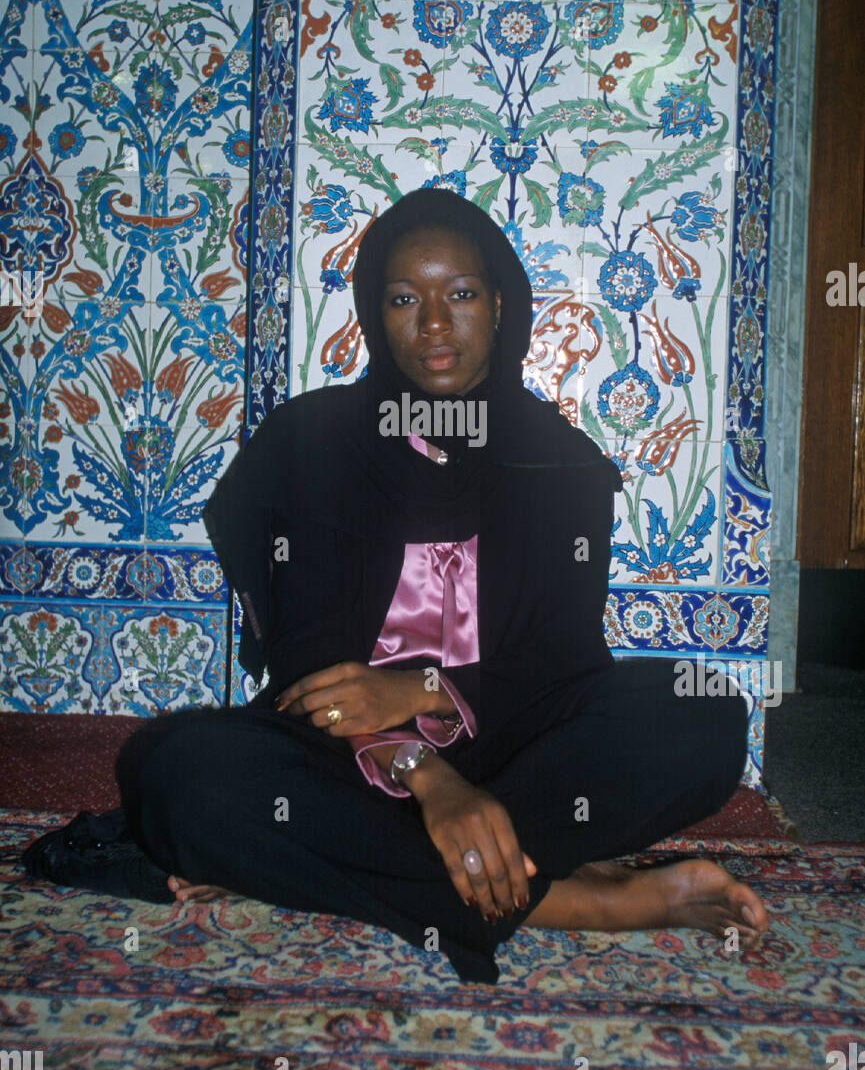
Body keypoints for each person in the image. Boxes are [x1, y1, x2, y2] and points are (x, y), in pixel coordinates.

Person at [23, 188, 768, 985]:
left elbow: (560, 660)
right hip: (344, 748)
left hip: (519, 741)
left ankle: (359, 865)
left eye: (461, 294)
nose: (435, 324)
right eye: (405, 298)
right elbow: (309, 653)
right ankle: (579, 898)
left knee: (702, 709)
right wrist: (424, 771)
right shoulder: (310, 444)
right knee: (188, 776)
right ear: (374, 314)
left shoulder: (561, 463)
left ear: (504, 305)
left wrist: (422, 690)